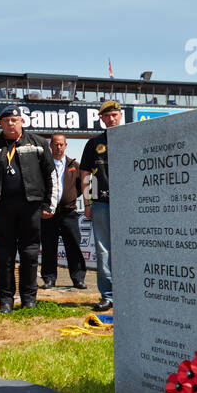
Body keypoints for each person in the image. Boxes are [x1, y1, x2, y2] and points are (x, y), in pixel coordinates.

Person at [0, 105, 56, 312]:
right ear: (0, 123)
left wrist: (49, 204)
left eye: (14, 120)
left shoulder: (38, 143)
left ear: (22, 121)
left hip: (31, 207)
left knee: (30, 255)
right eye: (6, 121)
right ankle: (5, 300)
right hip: (2, 209)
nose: (10, 124)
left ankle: (29, 298)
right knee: (5, 256)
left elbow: (51, 175)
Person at [79, 100, 122, 312]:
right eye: (107, 116)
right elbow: (85, 175)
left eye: (115, 115)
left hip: (131, 205)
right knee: (103, 250)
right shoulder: (93, 143)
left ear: (121, 116)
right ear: (102, 119)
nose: (111, 119)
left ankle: (131, 292)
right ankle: (108, 295)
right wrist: (87, 202)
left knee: (131, 249)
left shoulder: (135, 138)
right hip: (102, 203)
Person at [40, 133, 86, 290]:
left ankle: (78, 278)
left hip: (69, 212)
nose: (58, 147)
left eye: (61, 144)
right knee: (48, 246)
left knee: (74, 245)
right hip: (48, 213)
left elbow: (82, 186)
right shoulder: (43, 165)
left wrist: (70, 197)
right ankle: (49, 279)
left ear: (66, 146)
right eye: (55, 144)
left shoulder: (75, 165)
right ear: (50, 146)